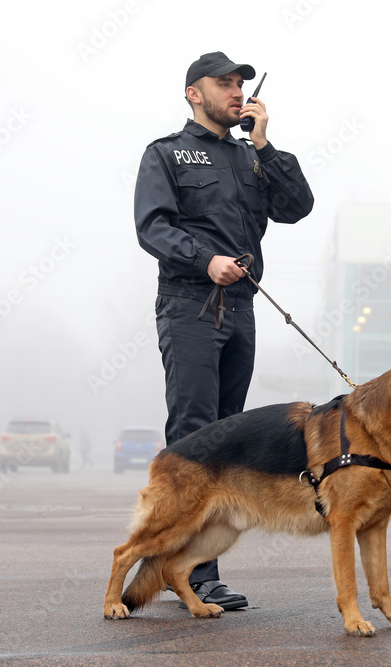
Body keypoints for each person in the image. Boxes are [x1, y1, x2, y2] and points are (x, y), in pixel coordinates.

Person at [133, 52, 314, 611]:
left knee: (228, 437)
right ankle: (190, 571)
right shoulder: (166, 153)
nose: (236, 91)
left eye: (241, 83)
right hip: (190, 302)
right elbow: (152, 226)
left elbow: (297, 207)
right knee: (194, 433)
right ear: (195, 92)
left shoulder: (250, 156)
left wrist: (265, 145)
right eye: (224, 83)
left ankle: (175, 565)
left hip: (242, 305)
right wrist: (204, 258)